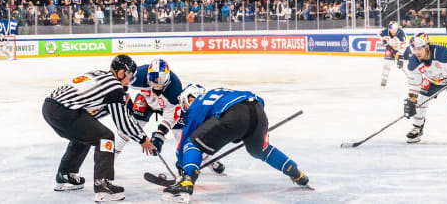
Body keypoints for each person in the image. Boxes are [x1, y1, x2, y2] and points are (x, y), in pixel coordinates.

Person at [163, 85, 309, 203]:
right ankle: (297, 174)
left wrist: (182, 165)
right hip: (258, 111)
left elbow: (185, 141)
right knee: (259, 150)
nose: (186, 108)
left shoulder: (198, 103)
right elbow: (259, 101)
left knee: (192, 144)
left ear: (191, 96)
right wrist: (251, 129)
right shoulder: (217, 94)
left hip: (234, 114)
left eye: (185, 104)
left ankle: (187, 181)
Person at [42, 54, 154, 201]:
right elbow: (123, 124)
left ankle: (65, 176)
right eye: (130, 76)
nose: (130, 81)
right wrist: (142, 139)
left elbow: (89, 114)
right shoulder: (114, 87)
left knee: (85, 136)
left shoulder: (101, 75)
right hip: (65, 111)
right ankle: (103, 184)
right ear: (121, 73)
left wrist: (115, 104)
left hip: (50, 107)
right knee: (105, 137)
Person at [379, 21, 406, 87]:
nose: (393, 32)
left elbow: (403, 46)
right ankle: (384, 79)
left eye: (395, 30)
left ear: (397, 29)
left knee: (408, 63)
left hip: (401, 49)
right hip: (390, 47)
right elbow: (379, 34)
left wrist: (401, 58)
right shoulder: (385, 31)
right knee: (387, 63)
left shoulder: (401, 33)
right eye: (391, 30)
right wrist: (384, 42)